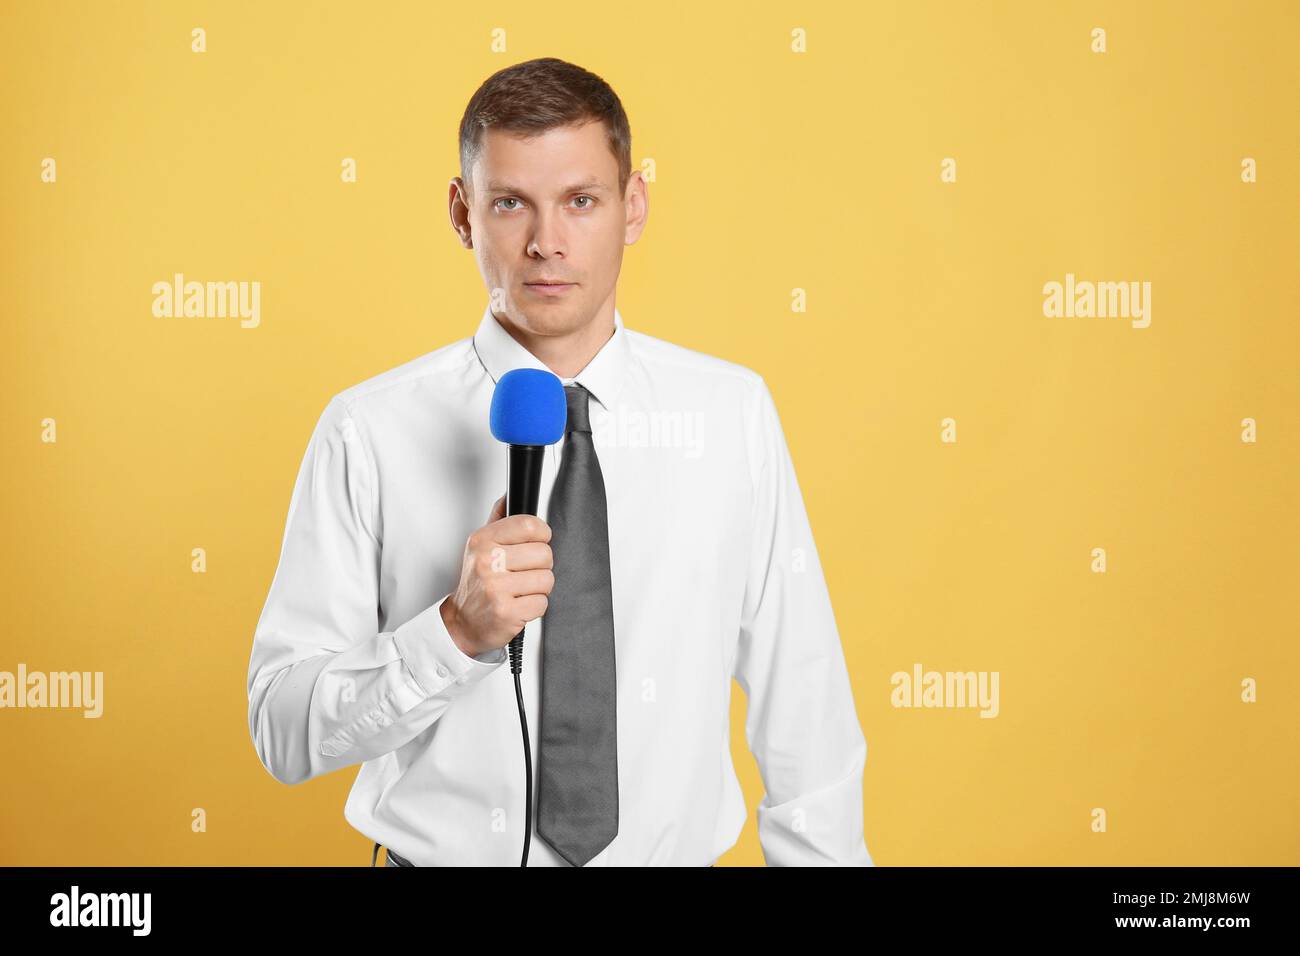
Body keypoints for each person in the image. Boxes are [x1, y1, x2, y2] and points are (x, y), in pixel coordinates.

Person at [246, 56, 872, 867]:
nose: (547, 243)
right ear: (462, 213)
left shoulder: (730, 414)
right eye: (511, 204)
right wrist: (452, 633)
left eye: (581, 200)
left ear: (633, 206)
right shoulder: (366, 431)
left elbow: (804, 706)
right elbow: (283, 730)